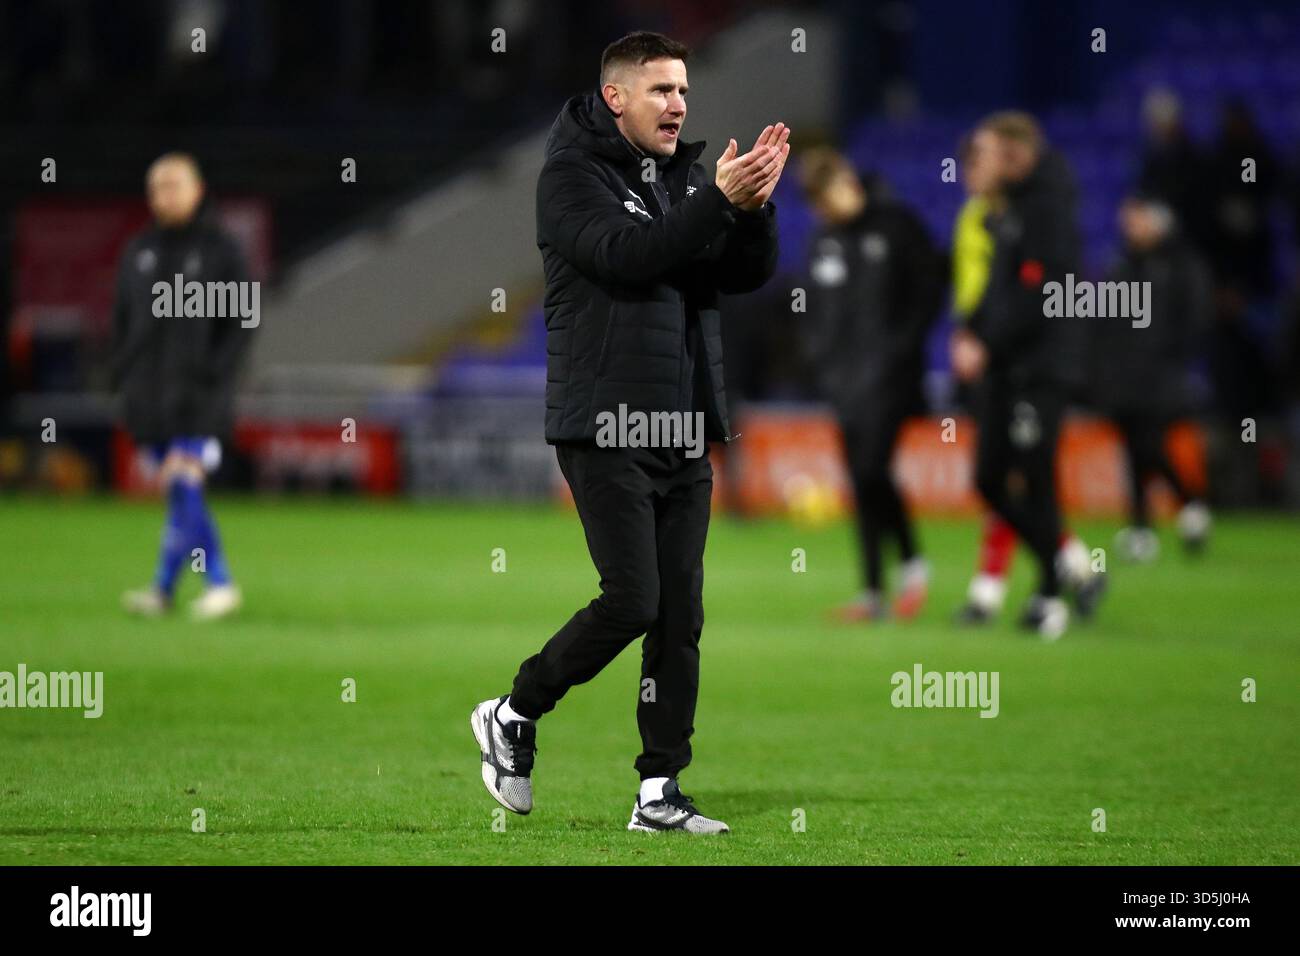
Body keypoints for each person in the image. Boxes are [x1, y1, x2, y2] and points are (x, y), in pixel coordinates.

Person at [471, 32, 787, 833]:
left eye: (683, 90)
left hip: (683, 424)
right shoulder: (570, 176)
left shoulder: (685, 175)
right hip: (604, 422)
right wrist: (715, 200)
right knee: (634, 599)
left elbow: (741, 273)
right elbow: (630, 255)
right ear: (616, 96)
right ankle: (515, 709)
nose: (679, 104)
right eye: (661, 90)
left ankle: (659, 792)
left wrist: (750, 211)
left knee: (680, 615)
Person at [949, 113, 1103, 640]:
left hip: (1041, 369)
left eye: (987, 151)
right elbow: (998, 289)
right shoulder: (1006, 211)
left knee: (1035, 478)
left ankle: (1048, 595)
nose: (978, 160)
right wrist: (972, 333)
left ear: (1015, 154)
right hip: (1007, 365)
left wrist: (985, 341)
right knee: (990, 478)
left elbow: (1040, 296)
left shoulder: (1048, 210)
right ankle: (1073, 568)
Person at [797, 147, 941, 622]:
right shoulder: (825, 241)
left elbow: (932, 285)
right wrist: (820, 359)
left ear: (846, 182)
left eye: (825, 198)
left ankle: (903, 574)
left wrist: (903, 347)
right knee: (864, 477)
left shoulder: (897, 225)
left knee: (871, 468)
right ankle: (882, 587)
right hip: (845, 382)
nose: (823, 211)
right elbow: (812, 308)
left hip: (892, 378)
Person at [114, 153, 254, 621]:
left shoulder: (221, 251)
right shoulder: (139, 251)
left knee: (184, 480)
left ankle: (220, 582)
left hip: (200, 399)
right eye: (157, 187)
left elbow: (240, 324)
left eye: (175, 185)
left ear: (197, 189)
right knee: (178, 492)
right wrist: (123, 377)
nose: (165, 195)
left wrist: (216, 379)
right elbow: (123, 322)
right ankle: (162, 589)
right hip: (150, 400)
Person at [1095, 195, 1214, 560]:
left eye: (1137, 220)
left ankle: (1175, 510)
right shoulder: (1121, 265)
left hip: (1161, 373)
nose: (1129, 228)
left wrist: (1170, 355)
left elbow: (1195, 316)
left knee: (1147, 445)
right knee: (1134, 448)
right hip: (1124, 374)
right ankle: (1158, 520)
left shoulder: (1180, 265)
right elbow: (1104, 319)